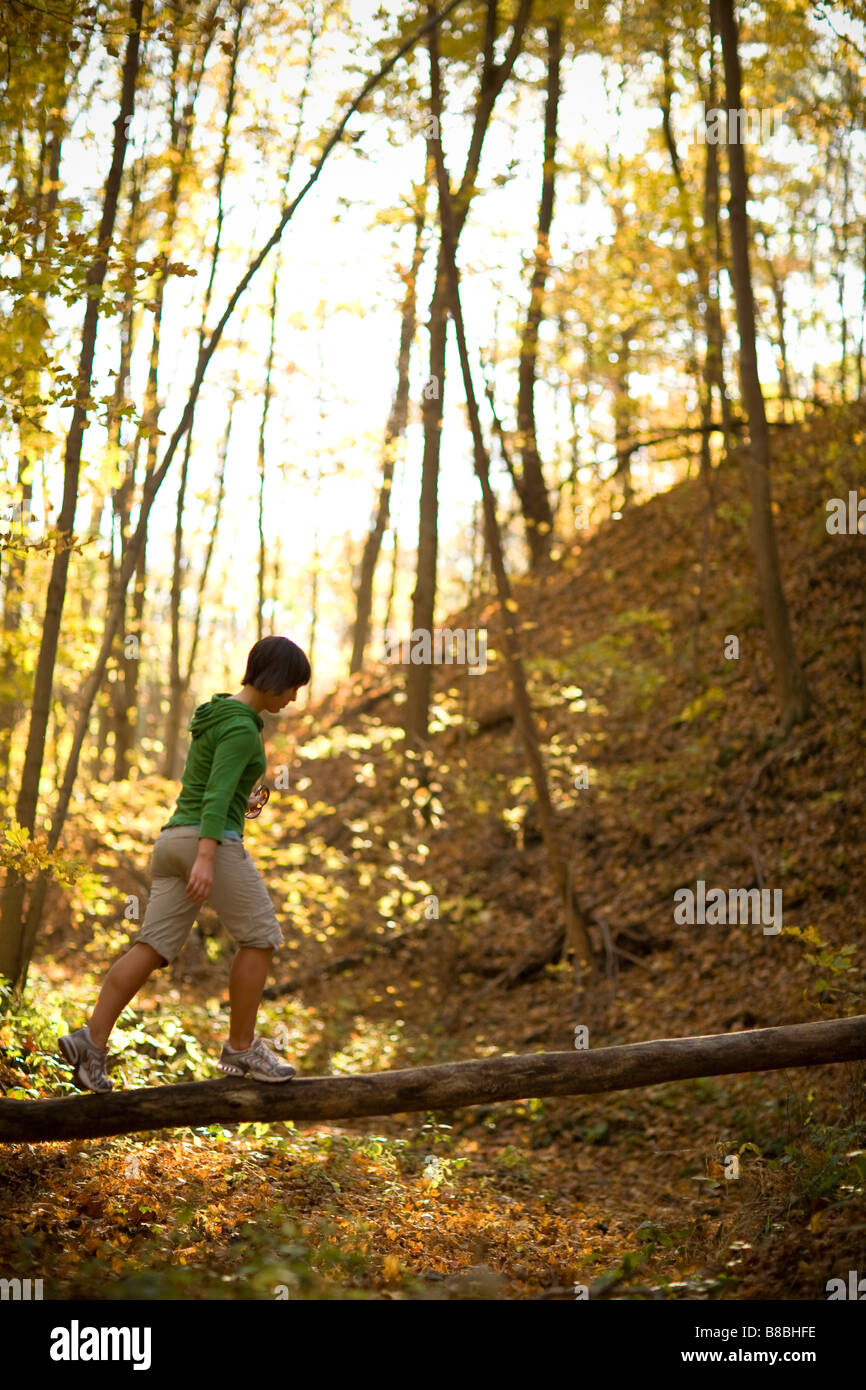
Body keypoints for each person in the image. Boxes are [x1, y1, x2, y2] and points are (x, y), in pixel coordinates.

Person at [58, 635, 310, 1092]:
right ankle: (241, 1046)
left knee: (150, 946)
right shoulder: (241, 728)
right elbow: (214, 797)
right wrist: (208, 858)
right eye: (293, 686)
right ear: (275, 679)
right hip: (204, 842)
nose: (294, 697)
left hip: (172, 839)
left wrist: (240, 799)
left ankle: (90, 1042)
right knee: (261, 938)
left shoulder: (216, 715)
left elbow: (211, 784)